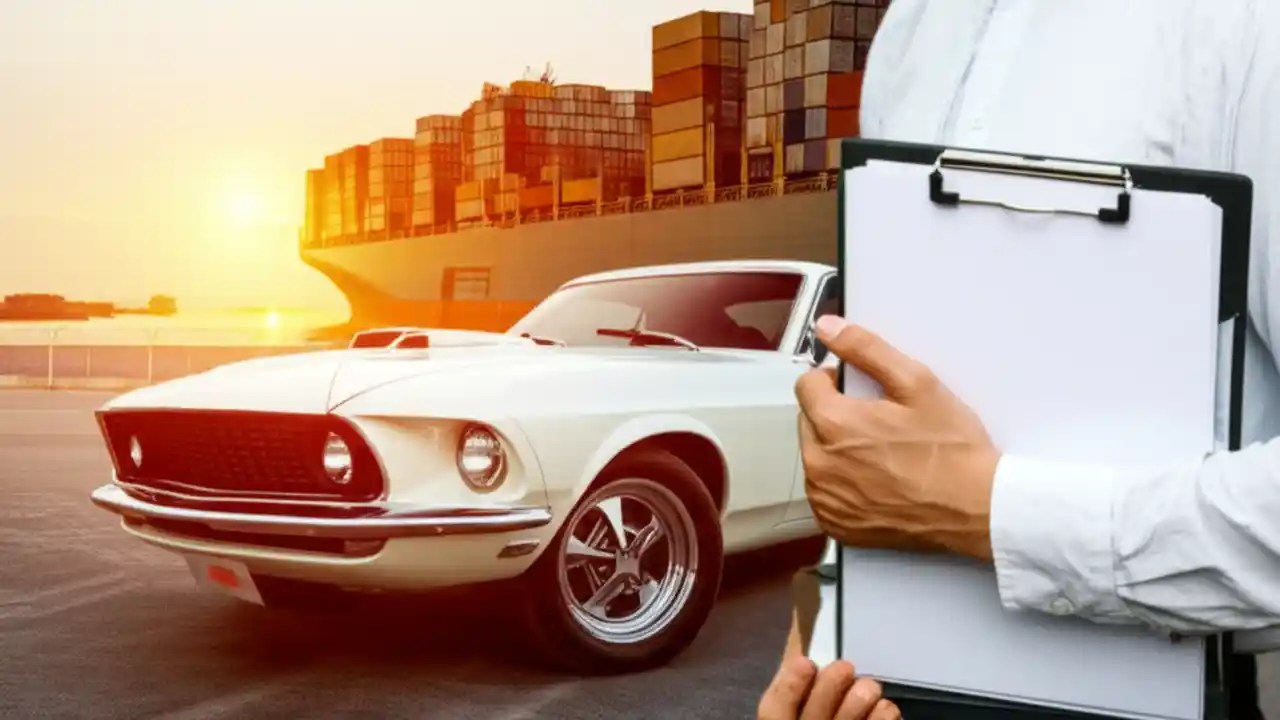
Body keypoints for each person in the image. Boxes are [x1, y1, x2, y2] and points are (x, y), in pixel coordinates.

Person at [767, 0, 1280, 717]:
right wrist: (824, 635)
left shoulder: (1245, 22)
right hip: (886, 689)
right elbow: (887, 426)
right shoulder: (910, 27)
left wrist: (989, 514)